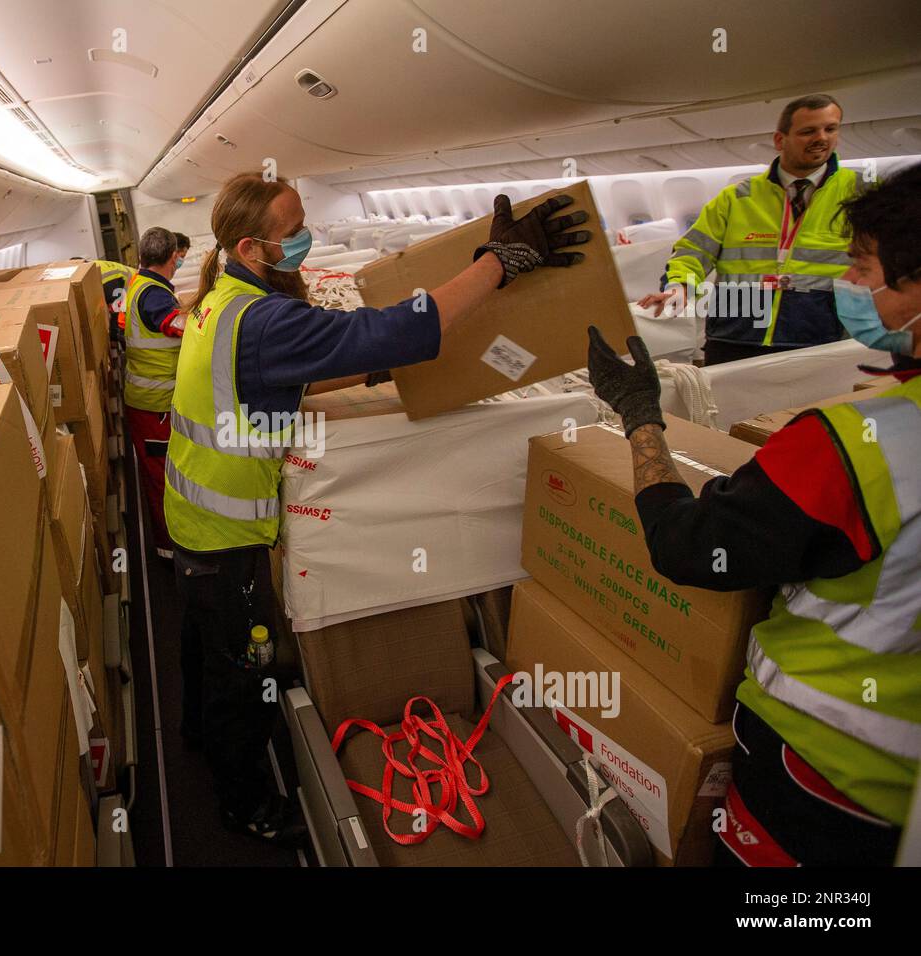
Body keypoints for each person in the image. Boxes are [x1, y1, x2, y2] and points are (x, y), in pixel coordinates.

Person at [165, 171, 591, 843]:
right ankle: (245, 805)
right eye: (293, 229)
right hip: (226, 533)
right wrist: (496, 265)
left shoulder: (223, 299)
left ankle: (195, 731)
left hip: (189, 516)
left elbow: (288, 373)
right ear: (253, 248)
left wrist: (371, 370)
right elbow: (396, 328)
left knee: (203, 646)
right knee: (244, 677)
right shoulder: (268, 319)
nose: (306, 237)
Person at [589, 163, 921, 866]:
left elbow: (689, 546)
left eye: (864, 270)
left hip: (829, 764)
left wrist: (641, 415)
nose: (851, 289)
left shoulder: (861, 444)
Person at [639, 94, 862, 365]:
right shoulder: (736, 198)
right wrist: (680, 287)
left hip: (815, 338)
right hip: (733, 337)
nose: (822, 138)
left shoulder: (861, 196)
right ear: (780, 140)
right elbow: (692, 252)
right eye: (808, 131)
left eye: (830, 129)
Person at [122, 227, 187, 559]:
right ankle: (170, 550)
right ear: (173, 257)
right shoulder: (155, 295)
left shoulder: (138, 283)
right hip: (154, 406)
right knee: (163, 480)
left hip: (146, 401)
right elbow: (176, 325)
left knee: (160, 476)